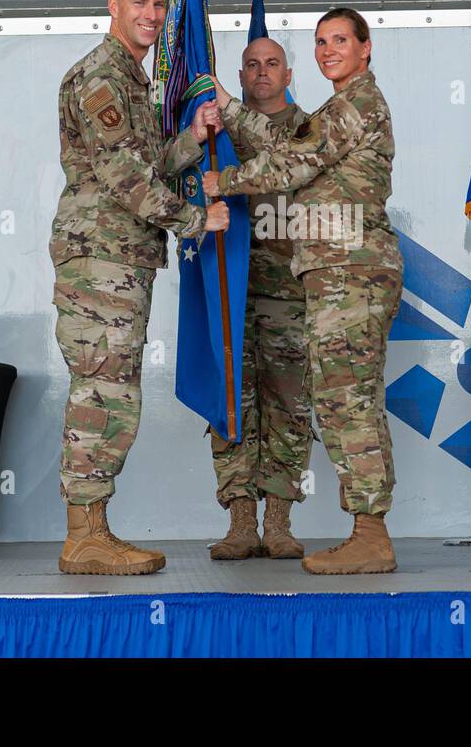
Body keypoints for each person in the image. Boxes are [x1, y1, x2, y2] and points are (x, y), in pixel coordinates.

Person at [202, 7, 404, 575]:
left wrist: (227, 181)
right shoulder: (337, 108)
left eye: (340, 40)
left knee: (347, 402)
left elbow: (289, 161)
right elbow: (282, 138)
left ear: (366, 48)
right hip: (338, 274)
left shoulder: (356, 103)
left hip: (351, 272)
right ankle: (368, 532)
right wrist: (232, 108)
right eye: (320, 41)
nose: (328, 49)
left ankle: (370, 535)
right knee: (347, 400)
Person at [50, 0, 227, 575]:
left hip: (119, 260)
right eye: (139, 4)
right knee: (103, 392)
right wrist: (193, 220)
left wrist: (192, 139)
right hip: (101, 262)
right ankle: (83, 537)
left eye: (158, 6)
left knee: (113, 393)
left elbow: (145, 162)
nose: (151, 16)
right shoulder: (103, 76)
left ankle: (94, 530)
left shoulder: (131, 78)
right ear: (113, 5)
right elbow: (125, 179)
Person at [205, 37, 315, 561]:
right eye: (252, 66)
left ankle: (279, 519)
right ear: (240, 75)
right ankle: (240, 520)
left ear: (288, 74)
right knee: (231, 403)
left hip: (289, 293)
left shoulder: (310, 129)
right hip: (230, 287)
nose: (262, 73)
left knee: (289, 404)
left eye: (272, 64)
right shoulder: (216, 133)